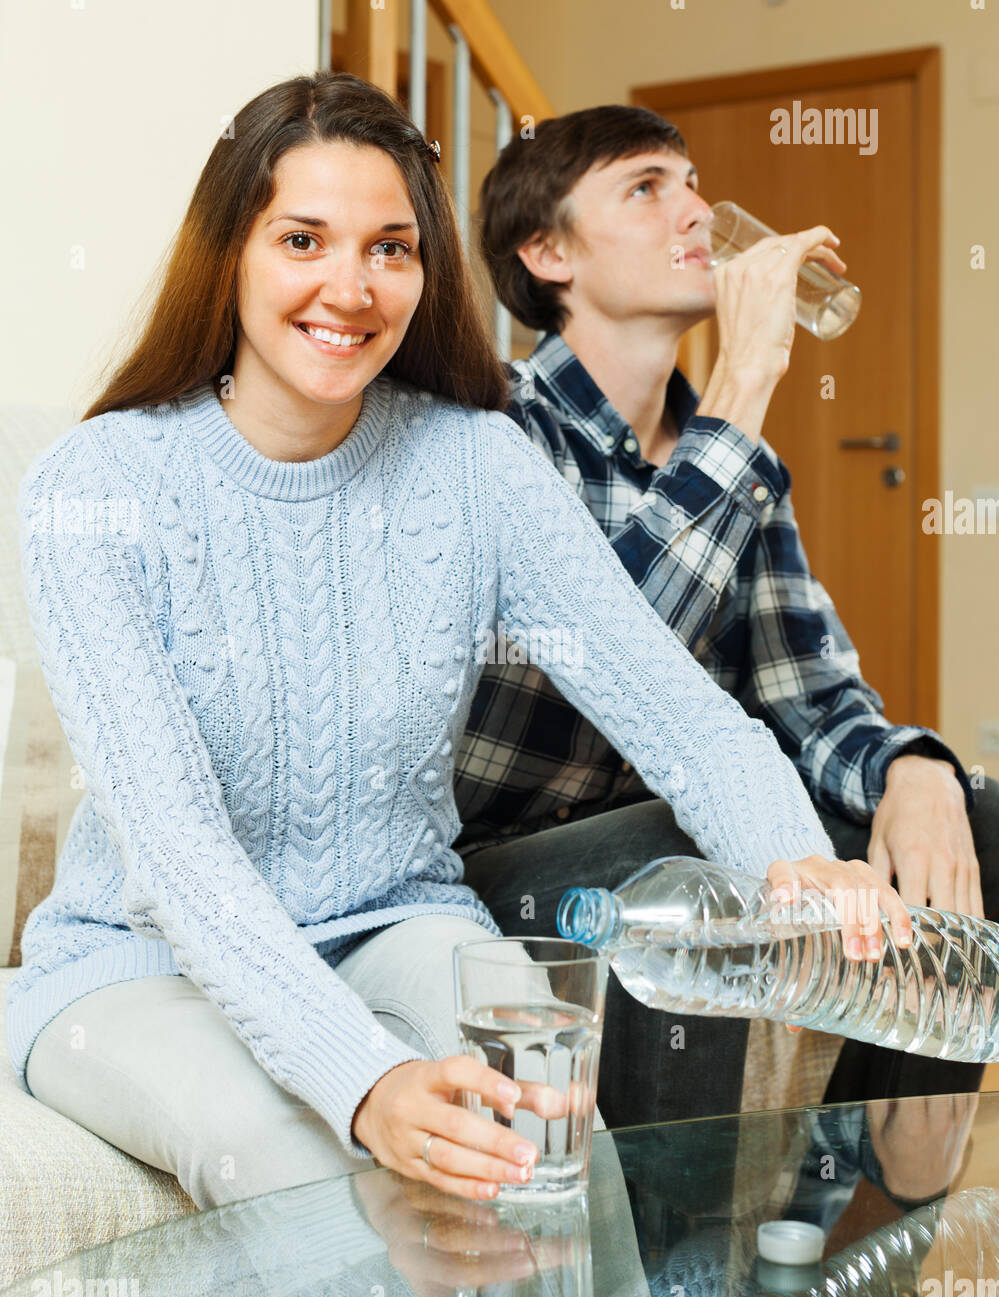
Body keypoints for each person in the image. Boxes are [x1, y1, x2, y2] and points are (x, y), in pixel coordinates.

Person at [7, 74, 909, 1212]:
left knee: (550, 1141)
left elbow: (668, 704)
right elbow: (181, 859)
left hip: (400, 916)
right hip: (141, 963)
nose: (352, 286)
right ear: (229, 252)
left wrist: (797, 858)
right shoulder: (97, 487)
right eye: (303, 239)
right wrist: (367, 1078)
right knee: (287, 1157)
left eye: (391, 248)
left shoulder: (473, 463)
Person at [455, 104, 999, 1125]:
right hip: (501, 856)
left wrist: (910, 767)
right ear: (547, 252)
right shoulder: (492, 430)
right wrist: (747, 380)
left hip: (681, 817)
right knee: (681, 855)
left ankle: (867, 1222)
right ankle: (677, 1266)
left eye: (691, 182)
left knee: (989, 817)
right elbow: (602, 670)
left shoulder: (735, 464)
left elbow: (810, 696)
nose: (694, 211)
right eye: (646, 188)